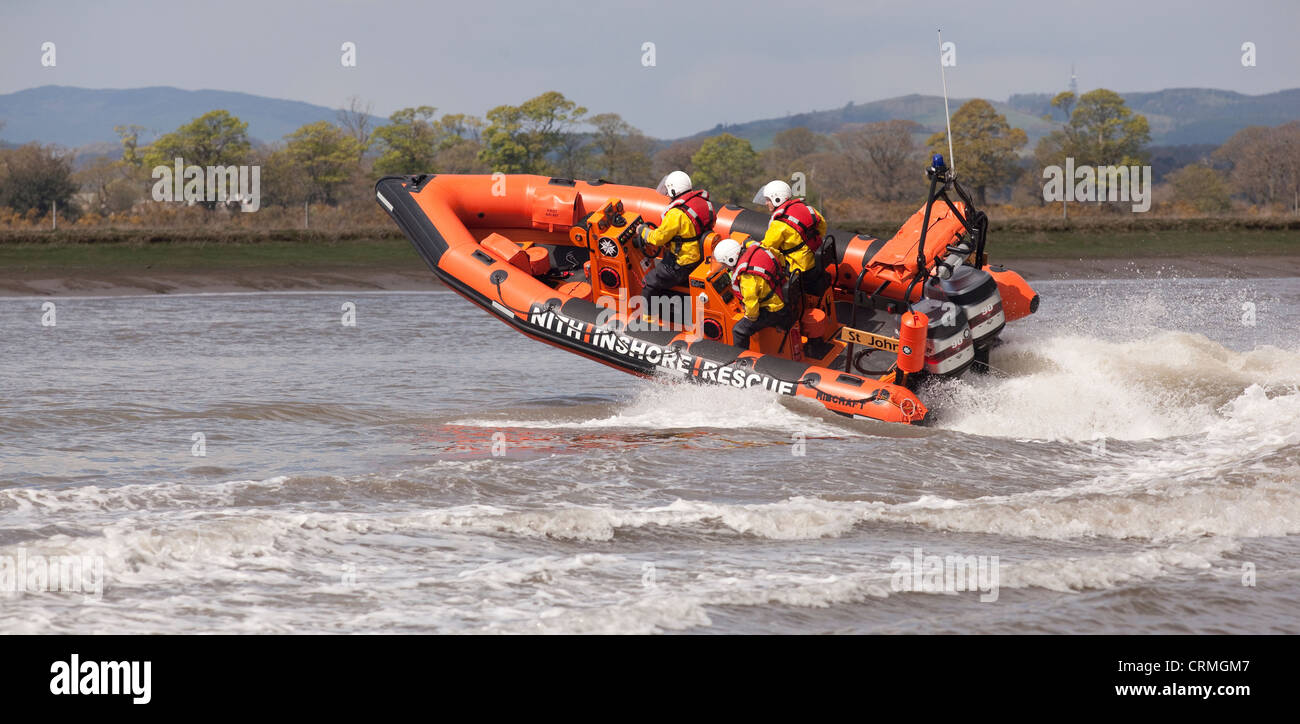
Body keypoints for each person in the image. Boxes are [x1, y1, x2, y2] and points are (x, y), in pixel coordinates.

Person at [636, 171, 716, 318]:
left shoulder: (676, 214)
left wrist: (642, 230)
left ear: (673, 190)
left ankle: (647, 318)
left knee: (648, 282)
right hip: (699, 260)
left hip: (682, 264)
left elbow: (657, 239)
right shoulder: (706, 204)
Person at [752, 180, 831, 296]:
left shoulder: (779, 224)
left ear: (777, 199)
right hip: (816, 259)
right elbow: (822, 226)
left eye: (768, 200)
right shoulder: (808, 208)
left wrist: (749, 245)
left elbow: (767, 248)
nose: (766, 203)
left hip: (800, 268)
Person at [713, 238, 791, 350]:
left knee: (739, 330)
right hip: (781, 292)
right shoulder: (760, 250)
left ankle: (739, 359)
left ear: (731, 259)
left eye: (725, 264)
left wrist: (748, 317)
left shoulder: (747, 277)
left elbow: (752, 307)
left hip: (774, 310)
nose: (726, 267)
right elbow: (780, 257)